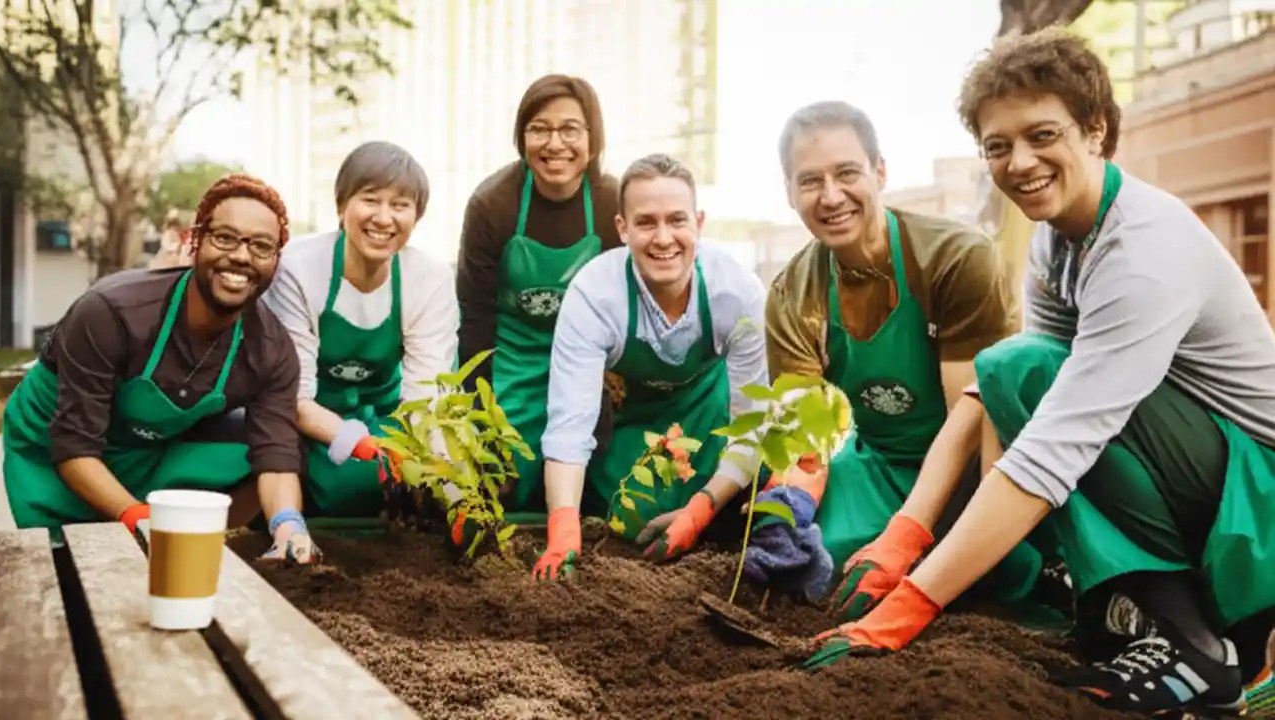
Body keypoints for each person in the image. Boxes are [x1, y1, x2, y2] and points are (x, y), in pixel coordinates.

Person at [803, 28, 1275, 718]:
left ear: (1096, 130)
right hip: (1194, 481)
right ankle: (1112, 604)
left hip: (1254, 499)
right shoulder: (1059, 240)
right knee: (1013, 369)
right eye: (998, 146)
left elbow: (1058, 442)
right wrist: (909, 528)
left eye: (1042, 135)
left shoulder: (1142, 251)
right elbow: (1001, 389)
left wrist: (910, 606)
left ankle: (1195, 646)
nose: (1019, 161)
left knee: (1032, 384)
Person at [747, 100, 1043, 608]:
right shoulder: (793, 293)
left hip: (968, 464)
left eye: (847, 173)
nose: (831, 196)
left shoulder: (954, 259)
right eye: (810, 181)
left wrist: (909, 535)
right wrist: (786, 509)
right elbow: (806, 437)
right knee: (825, 571)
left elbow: (972, 421)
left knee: (988, 576)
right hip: (876, 462)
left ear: (880, 171)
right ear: (790, 193)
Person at [2, 174, 319, 563]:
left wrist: (289, 526)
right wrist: (139, 518)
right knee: (65, 566)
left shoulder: (271, 349)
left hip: (148, 448)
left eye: (261, 246)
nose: (241, 256)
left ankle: (200, 550)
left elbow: (276, 455)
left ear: (275, 260)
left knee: (283, 451)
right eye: (225, 238)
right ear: (195, 241)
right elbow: (74, 446)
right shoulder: (112, 312)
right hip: (54, 445)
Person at [530, 153, 768, 580]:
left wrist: (702, 509)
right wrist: (563, 529)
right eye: (646, 222)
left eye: (677, 220)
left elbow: (751, 425)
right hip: (638, 421)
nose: (663, 238)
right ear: (622, 228)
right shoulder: (594, 294)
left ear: (699, 222)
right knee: (629, 514)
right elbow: (570, 424)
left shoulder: (736, 292)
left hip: (711, 413)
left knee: (743, 501)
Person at [455, 75, 622, 525]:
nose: (555, 144)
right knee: (507, 483)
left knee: (595, 480)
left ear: (593, 136)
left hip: (585, 357)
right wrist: (480, 412)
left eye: (570, 129)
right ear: (521, 136)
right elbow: (475, 315)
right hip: (510, 357)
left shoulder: (611, 201)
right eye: (539, 129)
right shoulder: (493, 205)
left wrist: (611, 381)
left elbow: (626, 302)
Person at [263, 141, 458, 518]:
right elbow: (294, 396)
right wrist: (361, 444)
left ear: (416, 217)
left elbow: (424, 395)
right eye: (371, 200)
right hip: (314, 418)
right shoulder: (300, 269)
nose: (384, 218)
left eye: (400, 206)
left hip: (390, 417)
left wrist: (438, 471)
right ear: (341, 205)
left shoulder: (428, 279)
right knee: (346, 484)